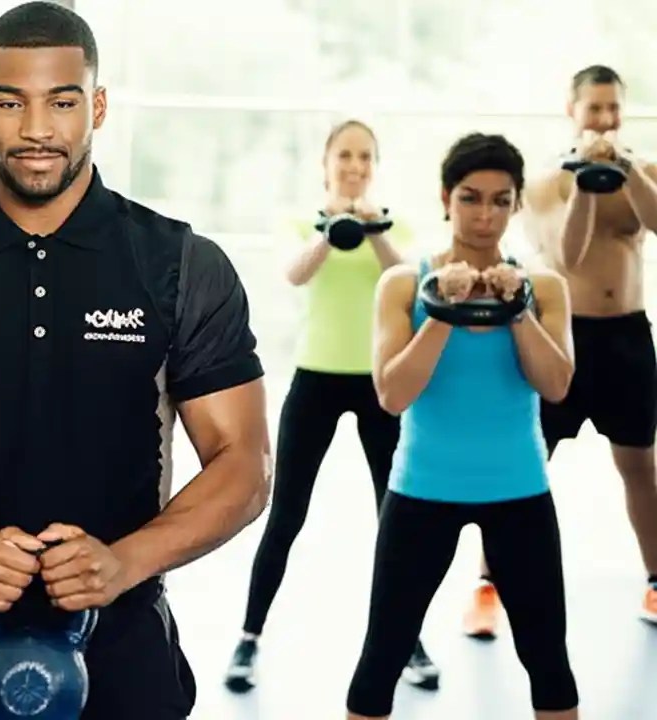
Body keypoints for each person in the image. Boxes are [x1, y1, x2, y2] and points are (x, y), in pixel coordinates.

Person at [0, 3, 271, 718]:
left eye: (62, 102)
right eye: (11, 103)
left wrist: (124, 562)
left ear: (97, 106)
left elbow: (244, 465)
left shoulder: (179, 265)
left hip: (124, 652)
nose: (36, 129)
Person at [346, 132, 578, 720]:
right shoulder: (404, 285)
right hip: (422, 491)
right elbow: (392, 395)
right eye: (471, 197)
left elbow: (556, 385)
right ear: (445, 198)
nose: (484, 215)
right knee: (382, 659)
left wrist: (517, 309)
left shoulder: (544, 287)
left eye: (501, 201)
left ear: (517, 206)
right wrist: (443, 312)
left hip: (519, 492)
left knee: (548, 661)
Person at [226, 119, 441, 693]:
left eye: (365, 157)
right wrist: (332, 229)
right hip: (315, 382)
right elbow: (295, 273)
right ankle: (248, 637)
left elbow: (410, 280)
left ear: (375, 166)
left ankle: (408, 640)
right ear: (326, 163)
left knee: (395, 518)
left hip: (380, 386)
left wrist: (371, 228)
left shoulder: (394, 225)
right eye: (345, 155)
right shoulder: (301, 222)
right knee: (286, 515)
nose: (354, 166)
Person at [463, 64, 657, 639]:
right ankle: (487, 585)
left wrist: (623, 170)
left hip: (627, 338)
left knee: (640, 466)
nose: (605, 119)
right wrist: (588, 186)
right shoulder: (548, 183)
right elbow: (568, 256)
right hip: (562, 333)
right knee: (524, 460)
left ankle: (655, 581)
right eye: (594, 107)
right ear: (572, 111)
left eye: (613, 108)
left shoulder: (643, 173)